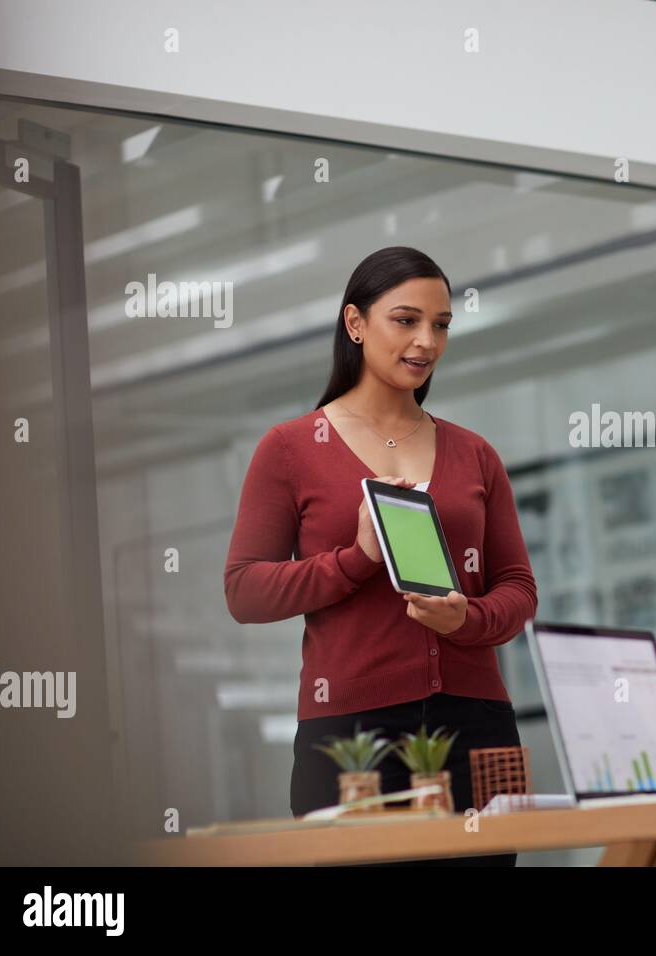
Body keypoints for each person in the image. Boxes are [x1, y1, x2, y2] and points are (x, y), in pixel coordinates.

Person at [224, 246, 537, 866]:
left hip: (477, 729)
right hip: (352, 737)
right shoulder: (290, 449)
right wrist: (356, 559)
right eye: (406, 320)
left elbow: (518, 588)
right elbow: (245, 591)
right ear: (355, 324)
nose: (426, 340)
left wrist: (466, 621)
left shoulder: (474, 453)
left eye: (441, 325)